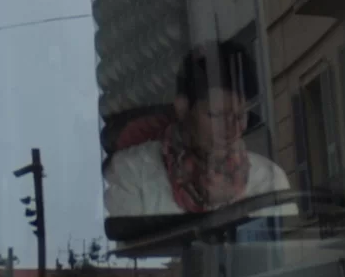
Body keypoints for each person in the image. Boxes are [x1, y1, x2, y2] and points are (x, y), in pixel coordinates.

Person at [101, 42, 296, 219]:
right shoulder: (130, 173)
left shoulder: (269, 179)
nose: (233, 129)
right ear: (183, 109)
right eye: (217, 115)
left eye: (240, 116)